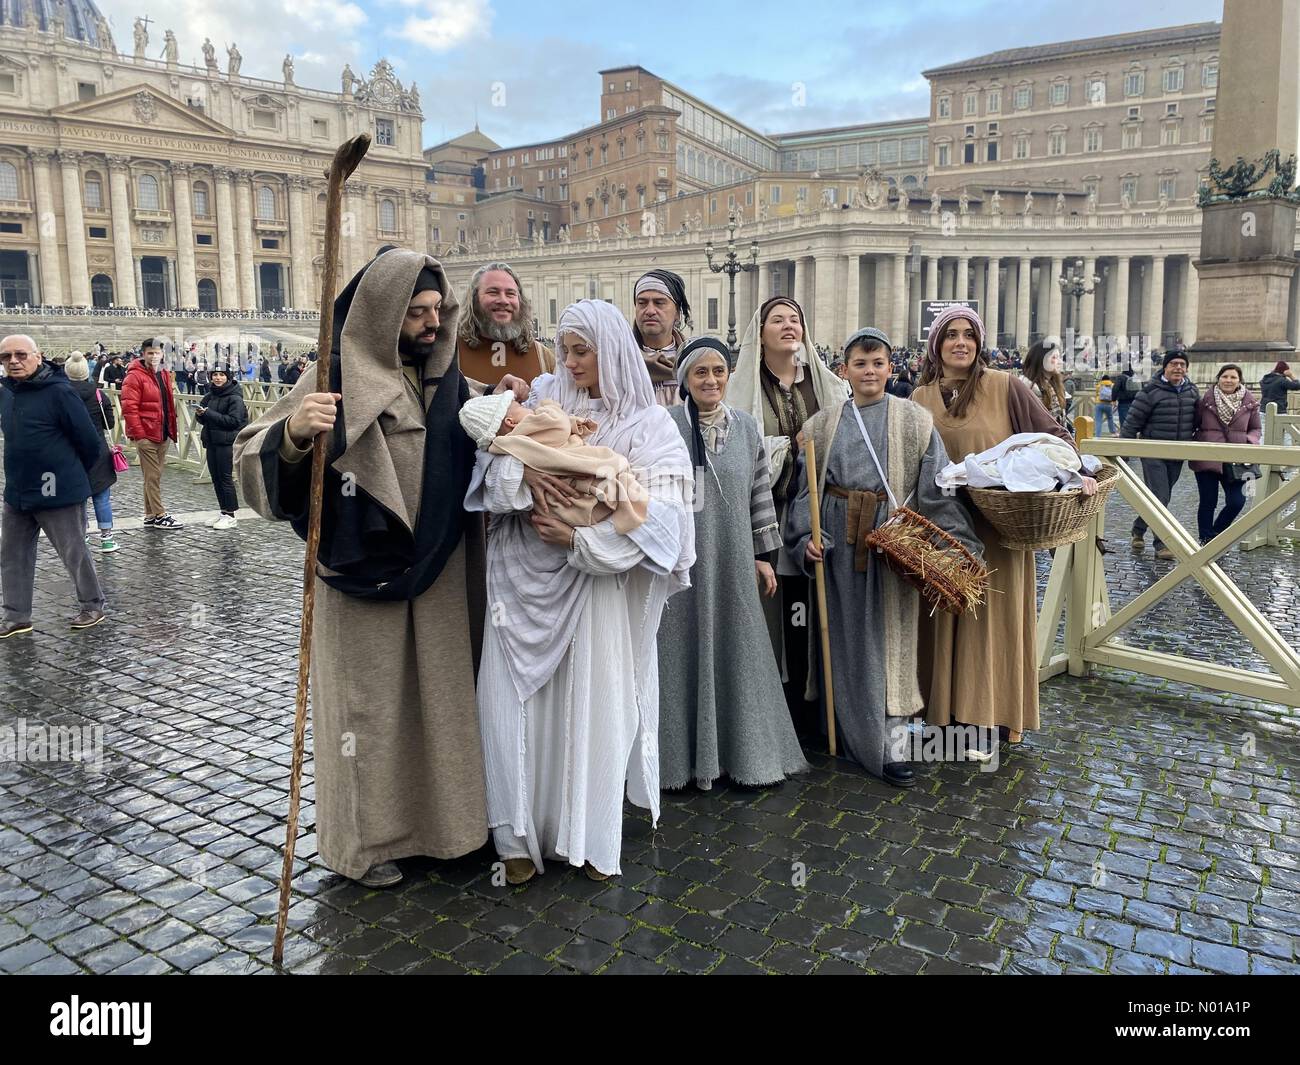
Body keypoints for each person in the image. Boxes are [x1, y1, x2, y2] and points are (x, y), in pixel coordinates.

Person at [235, 247, 524, 888]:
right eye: (414, 313)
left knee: (445, 705)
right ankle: (364, 845)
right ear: (382, 314)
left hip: (444, 575)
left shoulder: (451, 384)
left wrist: (500, 399)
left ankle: (451, 831)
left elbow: (480, 418)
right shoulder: (330, 377)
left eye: (435, 312)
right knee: (366, 715)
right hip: (362, 575)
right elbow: (248, 456)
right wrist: (295, 437)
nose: (430, 324)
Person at [466, 299, 694, 885]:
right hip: (517, 581)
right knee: (511, 703)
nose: (568, 363)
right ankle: (514, 837)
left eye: (581, 351)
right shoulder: (541, 401)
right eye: (564, 350)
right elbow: (487, 476)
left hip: (593, 586)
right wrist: (527, 474)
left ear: (611, 349)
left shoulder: (649, 423)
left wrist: (582, 539)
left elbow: (670, 515)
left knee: (591, 704)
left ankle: (589, 836)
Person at [788, 328, 983, 784]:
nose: (869, 371)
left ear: (890, 369)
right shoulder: (821, 425)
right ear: (846, 371)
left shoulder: (915, 420)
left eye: (877, 363)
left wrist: (960, 547)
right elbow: (806, 490)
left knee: (891, 638)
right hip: (838, 539)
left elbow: (935, 487)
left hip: (891, 542)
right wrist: (804, 540)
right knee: (841, 633)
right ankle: (837, 726)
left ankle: (890, 741)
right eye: (860, 364)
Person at [913, 307, 1096, 757]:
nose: (960, 343)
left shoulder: (1007, 386)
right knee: (942, 619)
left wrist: (1078, 473)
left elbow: (1055, 439)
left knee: (989, 624)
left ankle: (990, 719)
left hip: (1000, 528)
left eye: (968, 335)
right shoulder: (918, 398)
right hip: (941, 530)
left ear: (979, 343)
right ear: (936, 344)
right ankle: (942, 717)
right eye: (950, 335)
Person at [657, 336, 808, 791]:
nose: (711, 380)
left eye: (718, 371)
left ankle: (745, 754)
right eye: (700, 372)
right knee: (682, 651)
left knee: (739, 650)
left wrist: (765, 559)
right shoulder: (665, 427)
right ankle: (681, 762)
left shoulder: (745, 428)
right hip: (682, 563)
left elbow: (759, 497)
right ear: (685, 378)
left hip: (736, 558)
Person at [731, 296, 847, 734]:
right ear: (759, 333)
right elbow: (740, 448)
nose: (787, 326)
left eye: (794, 318)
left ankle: (812, 698)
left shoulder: (826, 384)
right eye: (776, 319)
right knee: (772, 606)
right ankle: (768, 705)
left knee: (811, 606)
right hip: (766, 513)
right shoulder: (745, 388)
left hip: (817, 514)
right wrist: (790, 447)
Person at [0, 335, 108, 637]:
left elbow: (88, 441)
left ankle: (92, 605)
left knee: (73, 550)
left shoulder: (60, 392)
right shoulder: (6, 393)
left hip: (57, 488)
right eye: (5, 357)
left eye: (20, 354)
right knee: (12, 555)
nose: (13, 361)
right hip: (18, 489)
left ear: (39, 356)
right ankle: (16, 616)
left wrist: (67, 475)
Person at [458, 393, 648, 533]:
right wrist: (548, 405)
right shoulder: (523, 433)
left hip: (557, 509)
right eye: (521, 406)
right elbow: (558, 426)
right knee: (616, 482)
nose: (530, 409)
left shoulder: (502, 447)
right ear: (511, 421)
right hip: (576, 480)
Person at [1122, 351, 1199, 560]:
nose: (1178, 368)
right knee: (1160, 496)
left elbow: (1198, 422)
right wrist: (1123, 454)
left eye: (1182, 364)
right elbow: (1132, 422)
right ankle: (1161, 544)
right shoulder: (1150, 392)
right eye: (1174, 363)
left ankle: (1138, 528)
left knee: (1159, 497)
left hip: (1178, 453)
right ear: (1165, 367)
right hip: (1152, 452)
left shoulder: (1192, 391)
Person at [1190, 364, 1261, 546]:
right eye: (1225, 377)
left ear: (1239, 381)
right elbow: (1195, 424)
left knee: (1237, 501)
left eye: (1233, 377)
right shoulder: (1205, 400)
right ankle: (1206, 539)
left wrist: (1249, 441)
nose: (1228, 380)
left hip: (1238, 460)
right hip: (1208, 457)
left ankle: (1216, 534)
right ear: (1218, 379)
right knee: (1208, 502)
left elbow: (1256, 428)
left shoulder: (1249, 401)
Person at [456, 261, 555, 388]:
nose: (503, 300)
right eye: (493, 292)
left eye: (510, 294)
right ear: (474, 299)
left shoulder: (543, 357)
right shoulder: (452, 354)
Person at [120, 338, 183, 530]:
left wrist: (172, 428)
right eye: (150, 353)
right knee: (153, 476)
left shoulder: (164, 373)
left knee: (152, 476)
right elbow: (129, 408)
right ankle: (161, 514)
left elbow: (167, 404)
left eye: (157, 353)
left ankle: (150, 514)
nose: (154, 356)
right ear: (143, 354)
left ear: (162, 354)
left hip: (162, 432)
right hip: (146, 434)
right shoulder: (134, 376)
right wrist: (140, 435)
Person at [63, 352, 119, 554]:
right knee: (102, 497)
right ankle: (107, 539)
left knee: (78, 499)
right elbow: (109, 424)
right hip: (97, 450)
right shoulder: (98, 394)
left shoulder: (61, 394)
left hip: (70, 451)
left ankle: (82, 536)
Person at [196, 367, 248, 531]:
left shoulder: (235, 398)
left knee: (225, 478)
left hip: (227, 442)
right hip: (212, 441)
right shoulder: (210, 395)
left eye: (221, 375)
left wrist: (208, 413)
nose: (218, 378)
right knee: (216, 478)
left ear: (228, 377)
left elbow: (234, 421)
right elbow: (204, 420)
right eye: (215, 375)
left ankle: (231, 515)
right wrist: (200, 414)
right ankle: (223, 511)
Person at [632, 269, 692, 407]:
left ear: (677, 312)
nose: (650, 311)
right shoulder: (620, 360)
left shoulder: (691, 361)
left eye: (659, 303)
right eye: (642, 303)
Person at [1022, 339, 1072, 433]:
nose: (1060, 362)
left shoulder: (1054, 385)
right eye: (1054, 357)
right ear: (1041, 360)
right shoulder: (1028, 386)